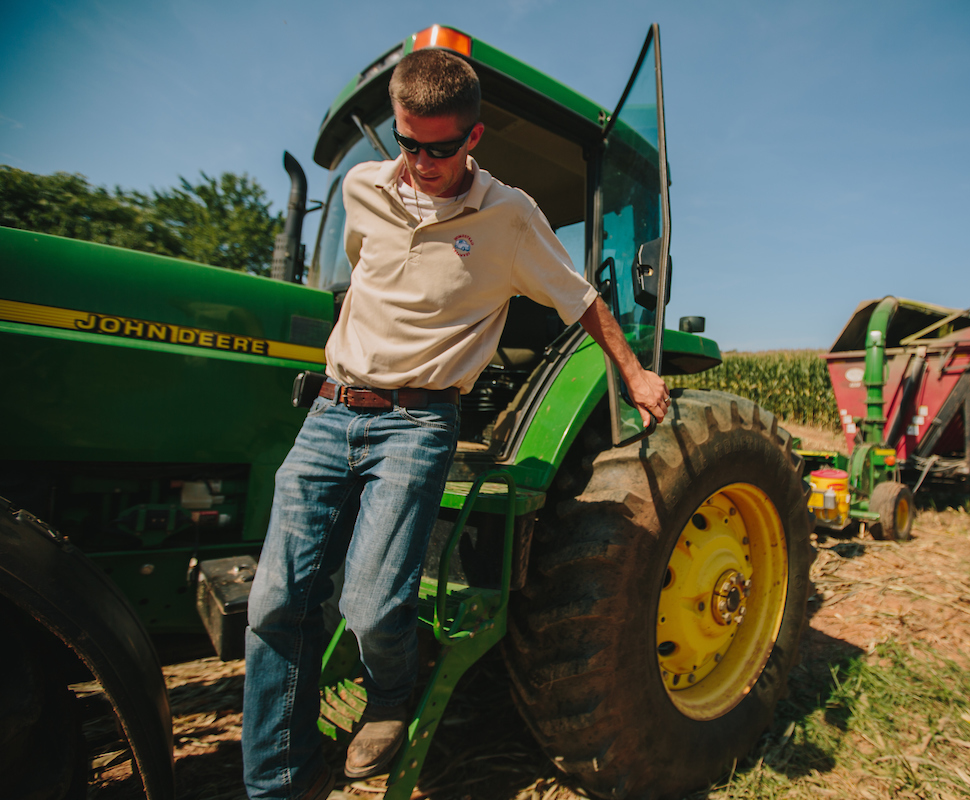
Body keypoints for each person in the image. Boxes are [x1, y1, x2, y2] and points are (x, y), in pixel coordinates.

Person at [241, 47, 669, 800]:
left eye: (438, 149)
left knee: (371, 603)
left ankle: (389, 695)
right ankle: (279, 781)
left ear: (473, 137)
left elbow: (580, 300)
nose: (420, 163)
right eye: (407, 143)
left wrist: (634, 373)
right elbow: (362, 276)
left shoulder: (510, 216)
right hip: (331, 412)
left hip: (416, 422)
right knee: (275, 600)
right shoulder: (365, 188)